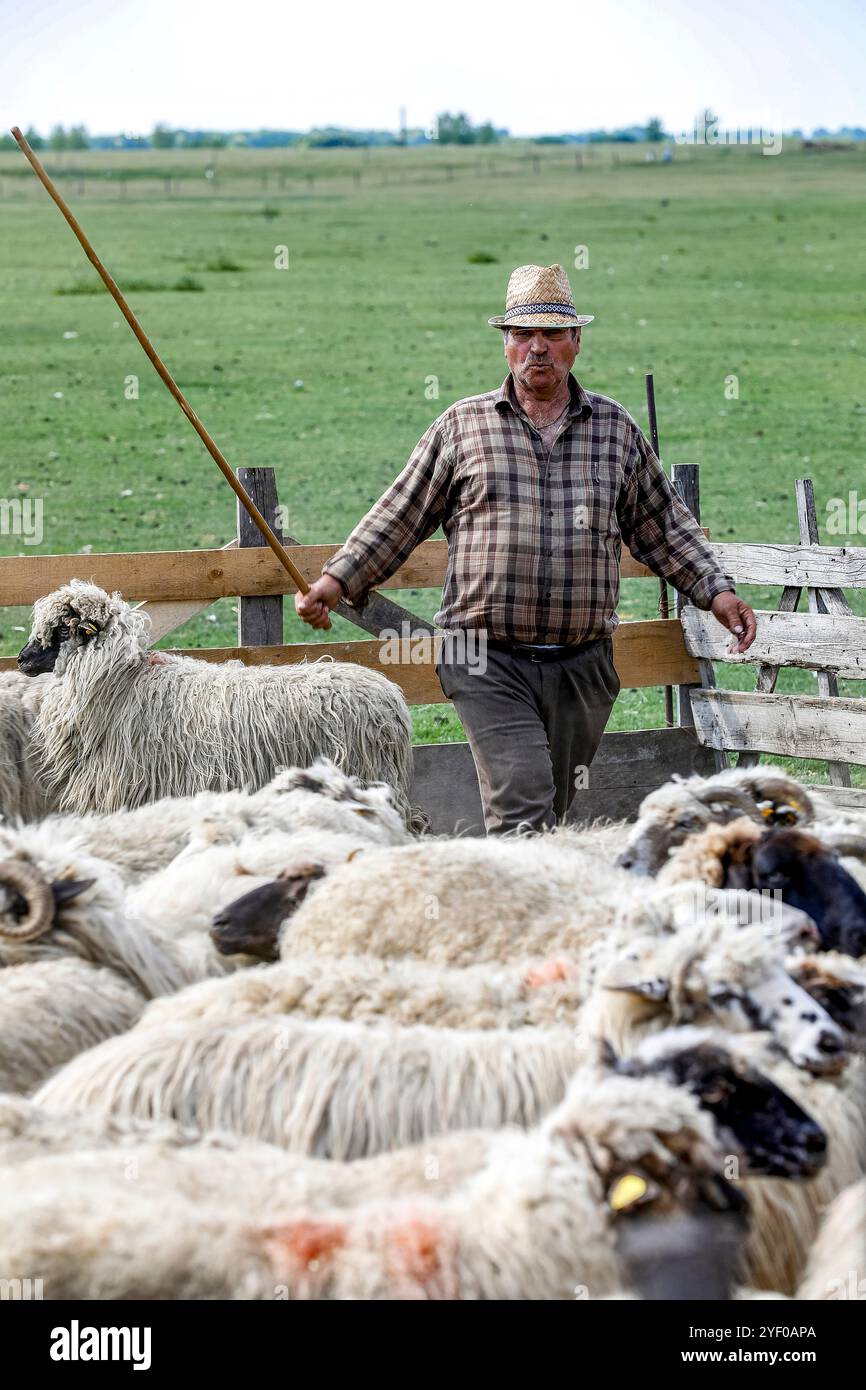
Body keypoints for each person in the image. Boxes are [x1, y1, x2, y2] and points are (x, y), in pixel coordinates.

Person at [296, 263, 756, 835]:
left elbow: (663, 525)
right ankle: (520, 916)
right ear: (506, 344)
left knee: (550, 811)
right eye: (522, 335)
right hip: (485, 658)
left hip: (582, 666)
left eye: (552, 334)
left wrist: (717, 591)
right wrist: (336, 581)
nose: (537, 349)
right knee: (523, 803)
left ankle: (514, 900)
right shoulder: (463, 427)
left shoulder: (613, 430)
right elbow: (399, 514)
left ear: (575, 342)